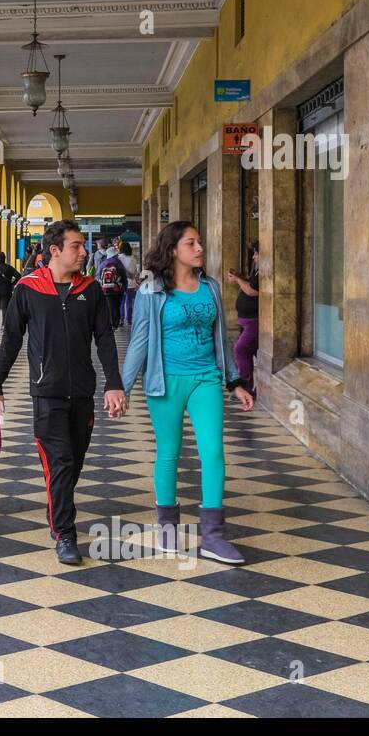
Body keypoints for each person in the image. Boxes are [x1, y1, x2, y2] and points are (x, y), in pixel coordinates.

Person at [0, 220, 127, 565]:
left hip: (82, 393)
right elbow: (11, 341)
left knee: (73, 463)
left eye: (83, 246)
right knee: (60, 462)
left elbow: (105, 339)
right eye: (76, 246)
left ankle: (58, 511)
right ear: (55, 251)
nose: (84, 252)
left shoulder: (90, 289)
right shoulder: (28, 288)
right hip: (46, 394)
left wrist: (114, 383)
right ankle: (65, 533)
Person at [120, 221, 256, 565]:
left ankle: (213, 536)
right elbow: (139, 341)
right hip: (165, 382)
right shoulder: (152, 290)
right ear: (173, 250)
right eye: (191, 243)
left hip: (206, 378)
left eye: (199, 242)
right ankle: (167, 526)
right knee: (169, 452)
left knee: (213, 452)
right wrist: (120, 388)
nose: (199, 248)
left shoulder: (210, 287)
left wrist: (234, 381)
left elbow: (221, 338)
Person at [227, 241, 261, 396]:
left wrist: (238, 280)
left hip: (254, 321)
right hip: (246, 320)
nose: (254, 257)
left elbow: (253, 291)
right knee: (248, 352)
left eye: (256, 253)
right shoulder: (256, 270)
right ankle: (252, 385)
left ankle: (246, 388)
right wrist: (239, 277)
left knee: (240, 350)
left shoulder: (263, 272)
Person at [98, 251, 127, 328]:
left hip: (106, 289)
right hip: (117, 289)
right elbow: (124, 277)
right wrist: (125, 288)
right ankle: (116, 322)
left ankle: (111, 323)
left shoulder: (103, 263)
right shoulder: (119, 263)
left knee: (110, 306)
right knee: (117, 305)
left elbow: (99, 275)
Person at [116, 241, 140, 326]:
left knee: (121, 302)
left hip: (121, 282)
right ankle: (129, 319)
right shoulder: (133, 259)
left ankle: (121, 319)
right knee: (129, 301)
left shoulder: (119, 258)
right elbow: (135, 271)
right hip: (131, 283)